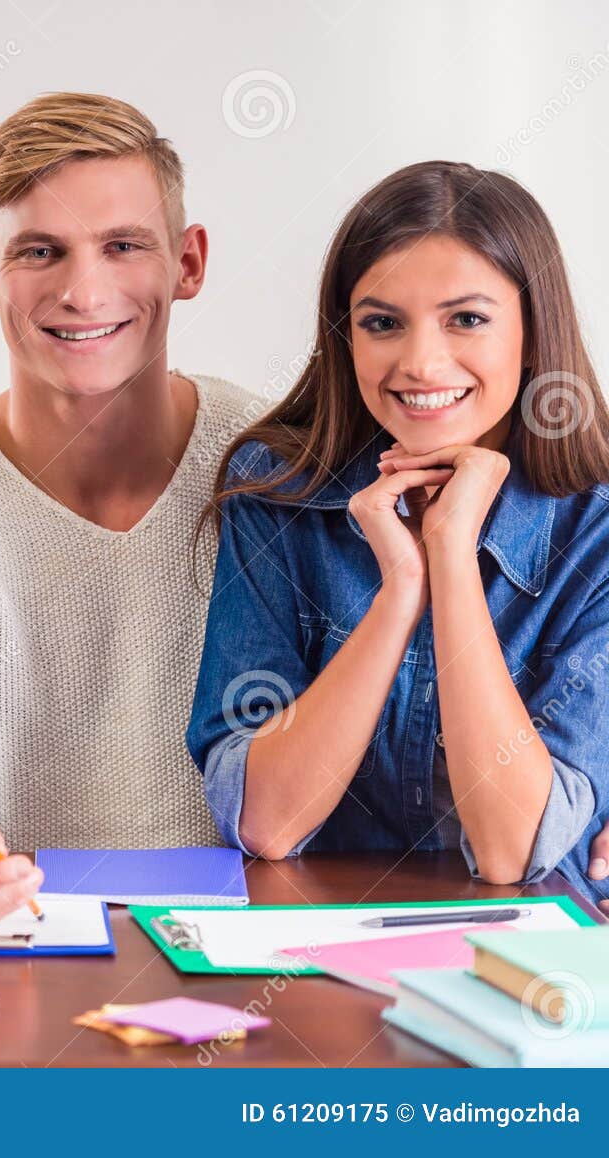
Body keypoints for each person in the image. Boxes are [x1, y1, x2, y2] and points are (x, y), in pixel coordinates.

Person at [0, 93, 256, 933]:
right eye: (40, 251)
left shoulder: (276, 466)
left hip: (251, 948)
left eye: (123, 246)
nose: (83, 289)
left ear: (188, 261)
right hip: (13, 942)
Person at [189, 160, 609, 900]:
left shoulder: (596, 528)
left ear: (533, 330)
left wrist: (449, 555)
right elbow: (266, 821)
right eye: (382, 323)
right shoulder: (279, 492)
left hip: (527, 979)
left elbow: (514, 846)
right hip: (316, 965)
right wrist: (400, 591)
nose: (420, 363)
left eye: (467, 319)